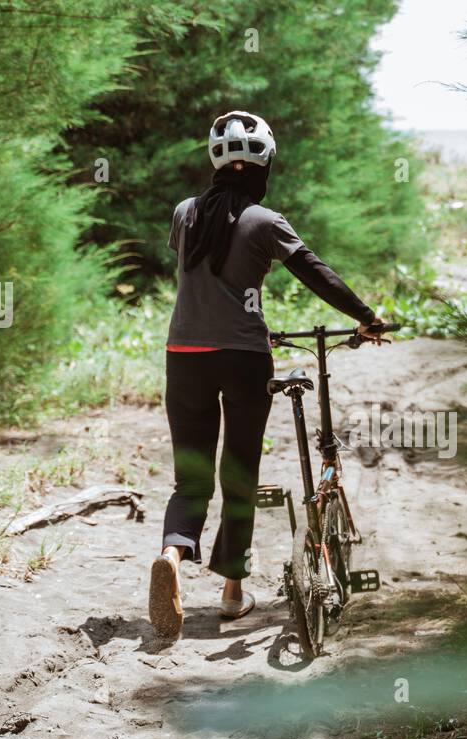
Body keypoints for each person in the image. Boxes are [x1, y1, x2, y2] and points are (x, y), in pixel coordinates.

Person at [149, 110, 386, 638]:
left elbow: (202, 285)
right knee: (238, 471)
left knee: (191, 476)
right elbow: (314, 272)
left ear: (215, 161)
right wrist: (365, 318)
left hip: (183, 354)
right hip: (242, 358)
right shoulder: (264, 220)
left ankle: (172, 552)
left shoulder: (185, 212)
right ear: (264, 163)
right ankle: (233, 595)